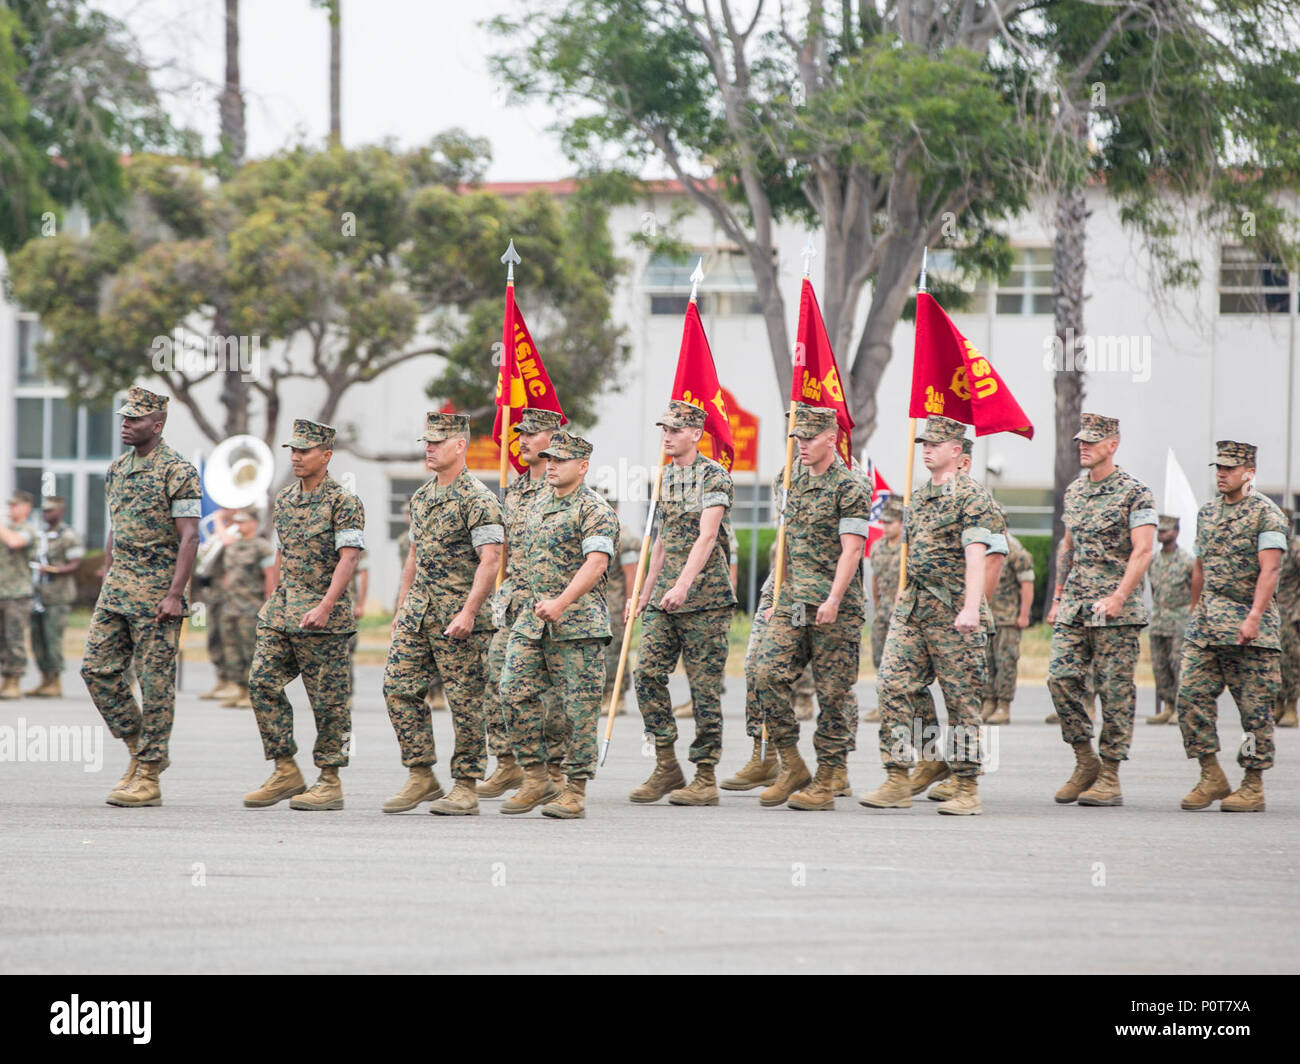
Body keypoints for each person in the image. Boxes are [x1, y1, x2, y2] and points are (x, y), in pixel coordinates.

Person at [860, 416, 995, 816]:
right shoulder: (917, 498)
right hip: (914, 609)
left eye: (936, 443)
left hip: (955, 613)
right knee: (893, 684)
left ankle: (967, 786)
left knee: (961, 701)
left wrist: (971, 607)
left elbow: (977, 555)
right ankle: (900, 775)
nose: (927, 448)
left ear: (957, 450)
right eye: (924, 442)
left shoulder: (972, 497)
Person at [81, 386, 201, 806]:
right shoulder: (117, 469)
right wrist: (109, 568)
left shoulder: (177, 471)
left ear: (158, 424)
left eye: (135, 419)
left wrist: (175, 594)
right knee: (96, 669)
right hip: (117, 589)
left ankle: (148, 776)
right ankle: (138, 747)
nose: (126, 425)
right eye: (124, 418)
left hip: (156, 595)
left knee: (155, 683)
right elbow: (117, 524)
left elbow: (189, 537)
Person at [749, 403, 869, 811]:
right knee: (764, 672)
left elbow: (852, 550)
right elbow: (785, 541)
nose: (801, 444)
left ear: (831, 439)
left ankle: (827, 778)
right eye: (797, 437)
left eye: (810, 437)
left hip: (835, 606)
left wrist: (834, 599)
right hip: (794, 599)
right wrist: (776, 597)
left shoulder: (850, 486)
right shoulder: (789, 477)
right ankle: (792, 763)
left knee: (833, 692)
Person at [381, 412, 502, 816]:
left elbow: (491, 560)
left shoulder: (479, 499)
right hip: (419, 614)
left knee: (465, 702)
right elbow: (413, 557)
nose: (429, 448)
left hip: (460, 620)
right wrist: (401, 607)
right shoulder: (420, 498)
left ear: (460, 446)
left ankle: (466, 784)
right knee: (397, 688)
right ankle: (421, 774)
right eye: (426, 442)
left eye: (437, 442)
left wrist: (469, 611)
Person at [241, 419, 364, 811]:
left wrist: (326, 606)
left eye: (304, 450)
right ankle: (285, 769)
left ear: (326, 455)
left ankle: (330, 780)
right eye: (292, 450)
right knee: (261, 683)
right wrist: (272, 598)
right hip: (283, 613)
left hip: (324, 619)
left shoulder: (344, 502)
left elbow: (349, 558)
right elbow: (281, 554)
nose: (296, 457)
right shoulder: (285, 499)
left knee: (329, 703)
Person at [500, 430, 618, 819]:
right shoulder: (536, 503)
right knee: (511, 691)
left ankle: (575, 789)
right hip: (532, 621)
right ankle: (536, 776)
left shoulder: (594, 510)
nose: (550, 465)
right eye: (549, 458)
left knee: (577, 710)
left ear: (582, 467)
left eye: (560, 460)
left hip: (577, 625)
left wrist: (562, 602)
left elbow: (596, 564)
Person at [628, 400, 736, 806]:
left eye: (675, 430)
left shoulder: (714, 477)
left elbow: (707, 537)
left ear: (696, 434)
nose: (668, 436)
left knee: (704, 688)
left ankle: (705, 776)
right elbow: (662, 540)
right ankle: (665, 763)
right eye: (665, 430)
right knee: (647, 675)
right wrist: (646, 590)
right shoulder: (664, 477)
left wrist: (683, 585)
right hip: (664, 599)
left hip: (705, 600)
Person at [1045, 413, 1156, 808]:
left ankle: (1110, 775)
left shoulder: (1134, 492)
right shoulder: (1075, 491)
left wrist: (1120, 597)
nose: (1084, 446)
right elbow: (1067, 547)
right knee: (1060, 678)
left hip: (1114, 610)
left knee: (1114, 691)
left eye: (1093, 440)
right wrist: (1058, 598)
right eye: (1081, 440)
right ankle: (1084, 760)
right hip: (1076, 605)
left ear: (1114, 444)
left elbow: (1143, 551)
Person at [1177, 441, 1287, 813]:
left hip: (1249, 629)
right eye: (1218, 467)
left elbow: (1270, 569)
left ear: (1249, 472)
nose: (1221, 474)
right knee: (1189, 696)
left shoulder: (1266, 514)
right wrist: (1195, 612)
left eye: (1229, 468)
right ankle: (1211, 775)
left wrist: (1255, 615)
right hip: (1207, 626)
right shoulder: (1207, 513)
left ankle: (1252, 785)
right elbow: (1200, 566)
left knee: (1254, 712)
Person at [479, 408, 569, 797]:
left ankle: (555, 769)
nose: (524, 439)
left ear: (554, 438)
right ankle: (507, 762)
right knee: (498, 679)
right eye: (521, 432)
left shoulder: (564, 488)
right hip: (516, 604)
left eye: (533, 433)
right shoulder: (514, 488)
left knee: (551, 692)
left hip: (553, 605)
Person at [216, 508, 275, 708]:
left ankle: (253, 694)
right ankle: (239, 689)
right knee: (232, 651)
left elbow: (270, 577)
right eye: (237, 522)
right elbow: (228, 573)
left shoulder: (262, 547)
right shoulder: (233, 546)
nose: (239, 525)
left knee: (250, 650)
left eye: (243, 522)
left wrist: (269, 604)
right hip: (231, 605)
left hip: (251, 606)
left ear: (254, 523)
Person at [26, 496, 84, 698]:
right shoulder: (40, 535)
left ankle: (55, 682)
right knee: (37, 639)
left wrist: (53, 570)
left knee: (53, 640)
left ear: (60, 512)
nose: (46, 514)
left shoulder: (68, 536)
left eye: (50, 511)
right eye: (44, 511)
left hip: (58, 596)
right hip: (38, 596)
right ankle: (44, 680)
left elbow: (76, 564)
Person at [983, 515, 1035, 726]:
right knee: (986, 662)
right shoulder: (984, 547)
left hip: (1007, 618)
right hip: (987, 617)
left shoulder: (1016, 551)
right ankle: (987, 701)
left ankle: (1003, 705)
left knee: (1006, 663)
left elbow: (1027, 585)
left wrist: (1023, 615)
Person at [1145, 514, 1194, 725]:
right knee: (1160, 665)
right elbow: (1155, 589)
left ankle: (1181, 708)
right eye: (1159, 531)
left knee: (1178, 664)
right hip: (1158, 620)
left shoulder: (1186, 561)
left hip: (1179, 620)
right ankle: (1168, 706)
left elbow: (1195, 591)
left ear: (1176, 532)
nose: (1161, 534)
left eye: (1165, 531)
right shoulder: (1153, 560)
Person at [863, 499, 904, 722]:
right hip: (882, 613)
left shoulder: (907, 548)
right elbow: (876, 581)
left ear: (901, 524)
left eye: (891, 522)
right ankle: (882, 705)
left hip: (901, 614)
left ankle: (897, 707)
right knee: (880, 660)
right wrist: (878, 608)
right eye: (883, 522)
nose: (886, 526)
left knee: (898, 662)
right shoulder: (877, 547)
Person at [0, 490, 39, 699]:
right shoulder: (7, 529)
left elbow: (15, 542)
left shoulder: (29, 529)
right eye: (10, 505)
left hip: (18, 594)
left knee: (14, 638)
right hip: (2, 591)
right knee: (2, 640)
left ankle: (14, 680)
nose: (11, 509)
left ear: (26, 507)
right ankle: (5, 678)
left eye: (15, 505)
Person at [1274, 509, 1299, 728]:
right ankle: (1277, 703)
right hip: (1270, 614)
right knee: (1272, 661)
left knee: (1290, 661)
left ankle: (1291, 705)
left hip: (1291, 614)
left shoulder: (1295, 549)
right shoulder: (1269, 548)